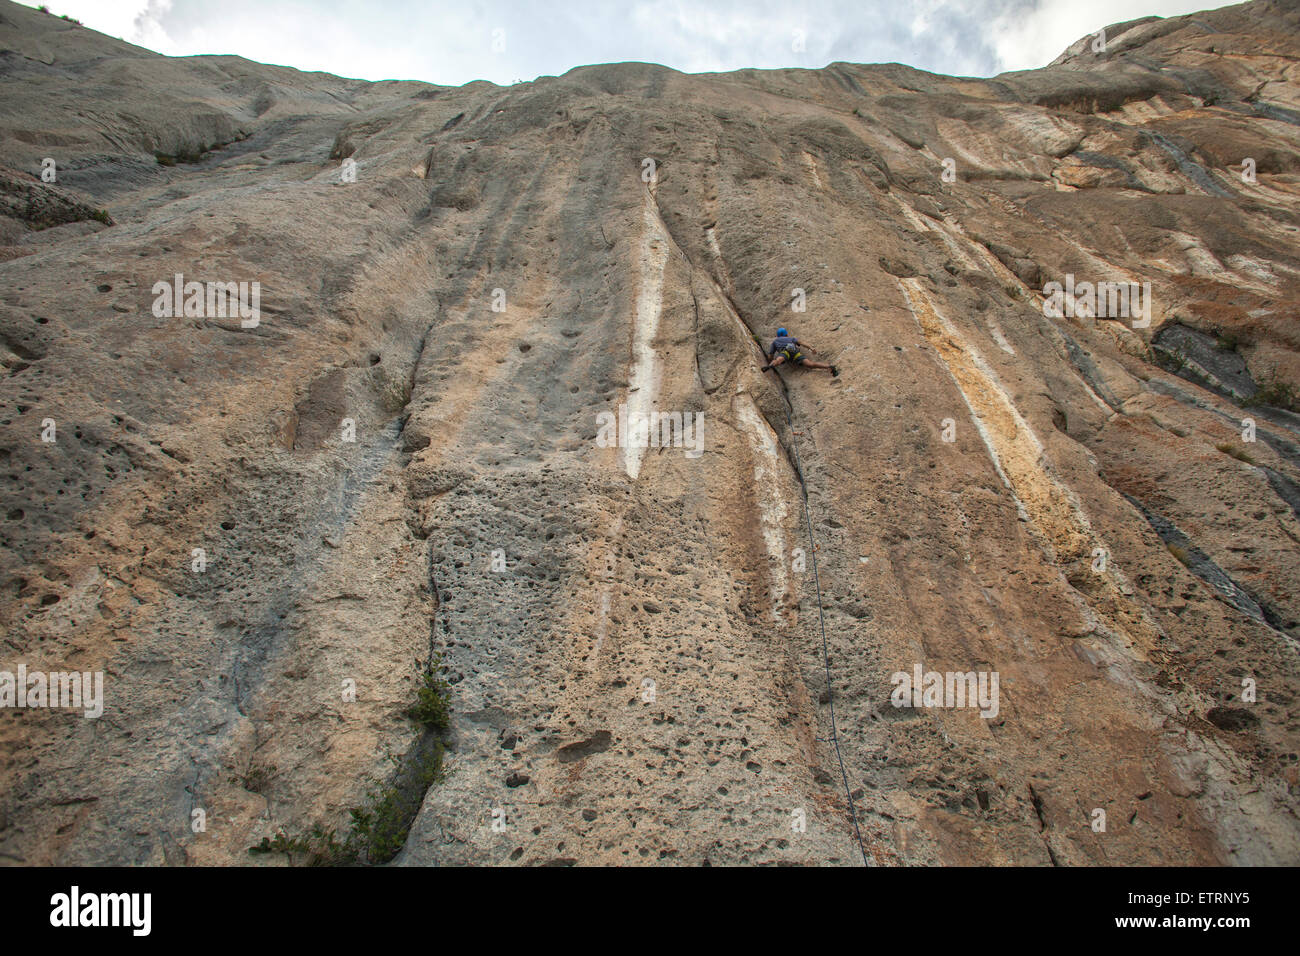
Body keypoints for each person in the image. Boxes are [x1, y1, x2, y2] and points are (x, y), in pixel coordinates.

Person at [762, 328, 838, 376]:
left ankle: (770, 366)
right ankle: (829, 366)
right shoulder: (791, 338)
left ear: (778, 335)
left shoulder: (775, 341)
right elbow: (801, 343)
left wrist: (770, 360)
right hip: (795, 352)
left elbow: (770, 355)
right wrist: (811, 348)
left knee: (778, 360)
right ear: (786, 334)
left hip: (786, 352)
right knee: (811, 364)